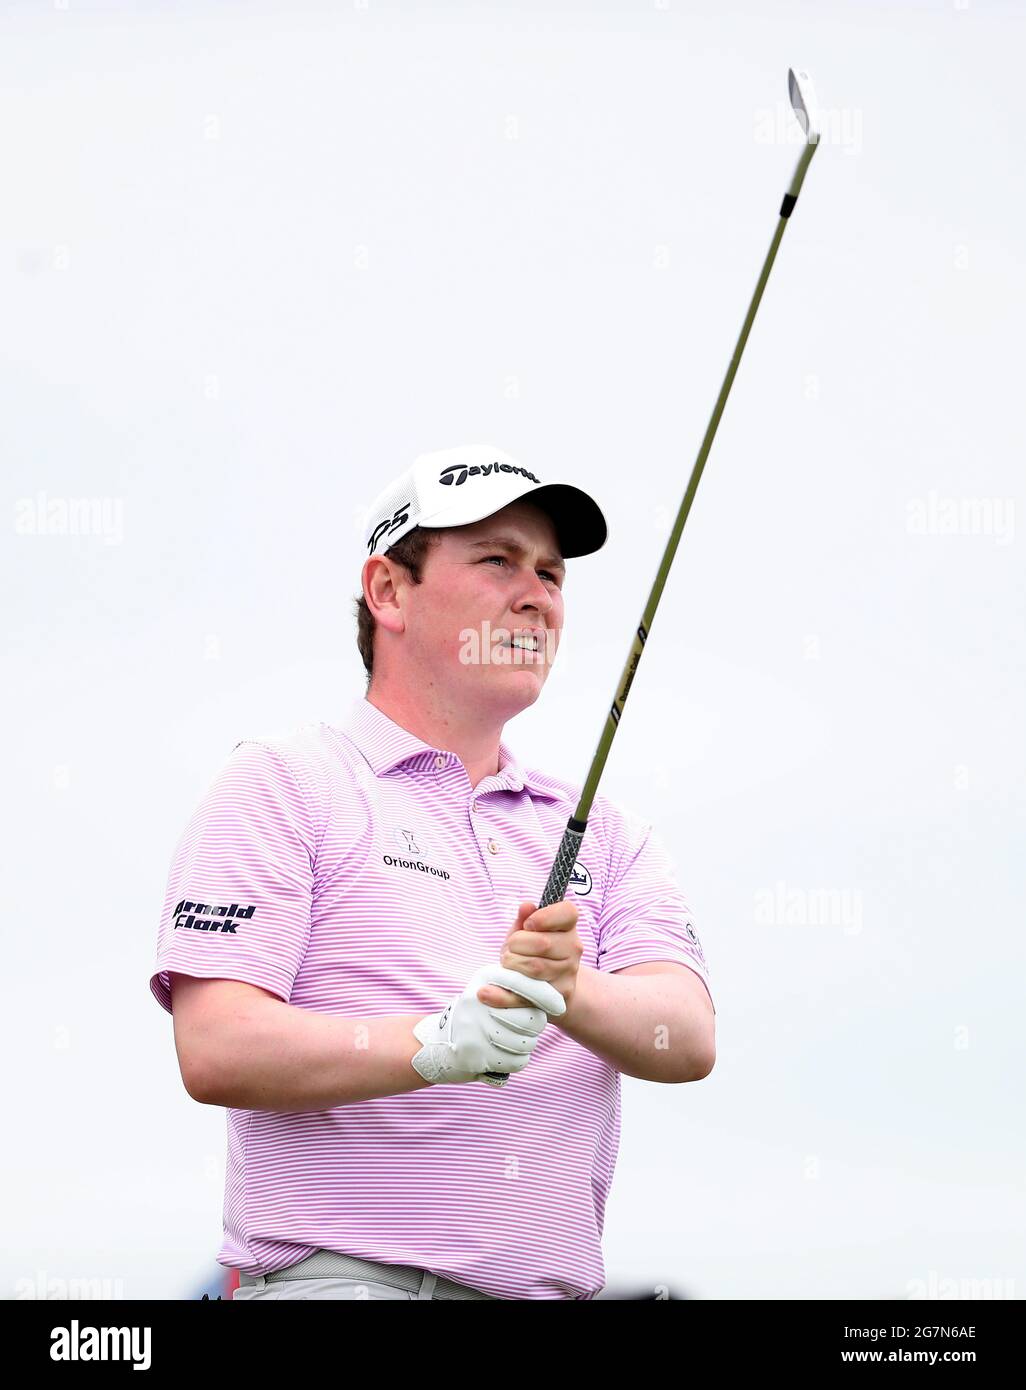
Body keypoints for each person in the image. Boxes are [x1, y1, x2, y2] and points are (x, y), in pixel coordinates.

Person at [150, 443, 716, 1301]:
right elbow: (216, 1047)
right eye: (497, 560)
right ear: (388, 592)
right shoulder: (284, 779)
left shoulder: (609, 834)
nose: (536, 595)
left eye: (552, 574)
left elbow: (688, 1037)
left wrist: (573, 986)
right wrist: (431, 1045)